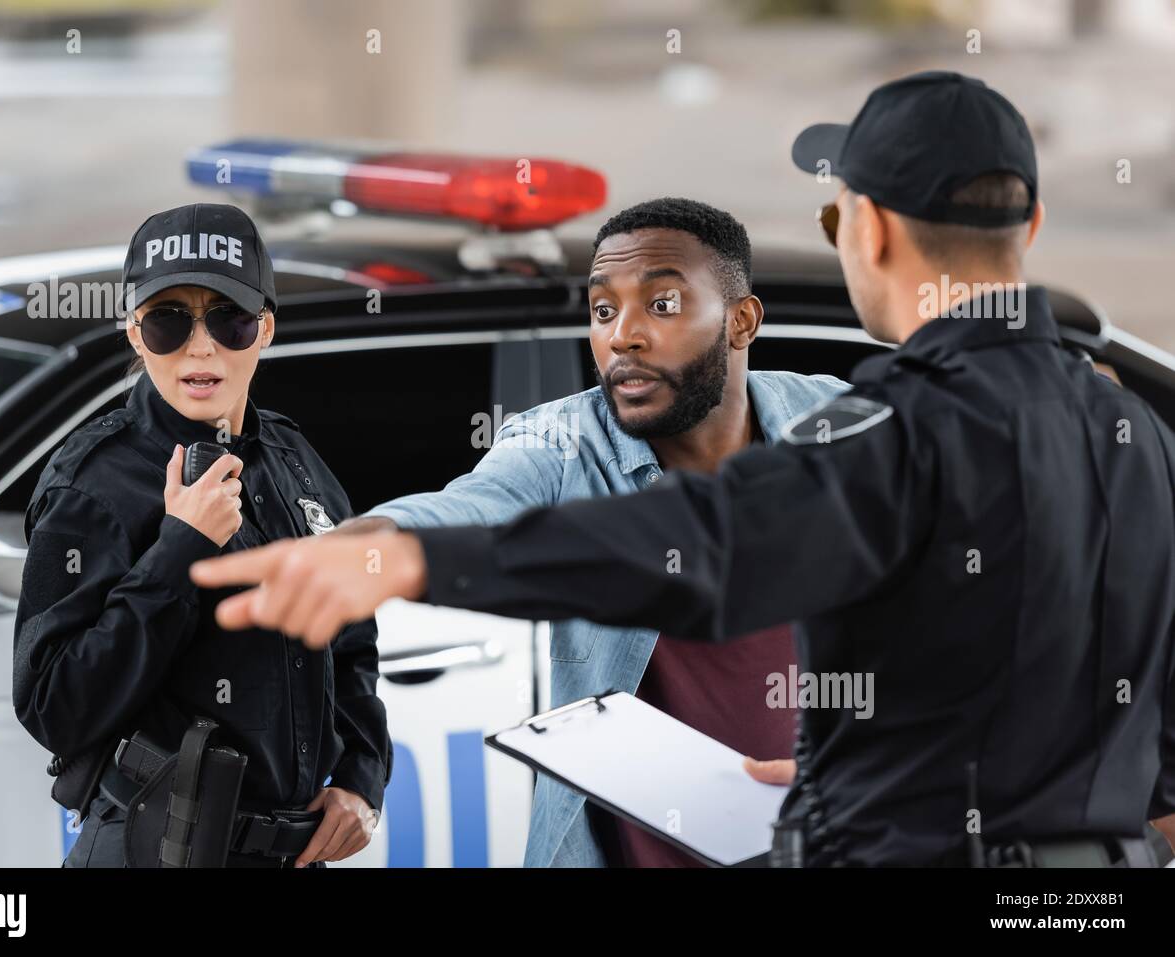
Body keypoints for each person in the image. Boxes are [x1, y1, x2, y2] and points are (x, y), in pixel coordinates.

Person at [191, 74, 1175, 867]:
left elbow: (705, 547)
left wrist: (410, 568)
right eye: (602, 308)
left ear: (866, 230)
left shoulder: (875, 430)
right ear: (1031, 228)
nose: (621, 336)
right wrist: (838, 771)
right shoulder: (1131, 428)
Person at [338, 197, 847, 867]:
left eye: (661, 305)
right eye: (603, 310)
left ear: (740, 322)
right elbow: (472, 503)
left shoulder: (834, 426)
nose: (622, 336)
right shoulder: (562, 444)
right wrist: (368, 539)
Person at [13, 203, 391, 868]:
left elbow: (352, 639)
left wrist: (363, 776)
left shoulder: (295, 460)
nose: (200, 344)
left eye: (229, 316)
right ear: (135, 333)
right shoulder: (91, 484)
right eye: (168, 320)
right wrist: (179, 549)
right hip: (151, 850)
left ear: (265, 328)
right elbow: (54, 708)